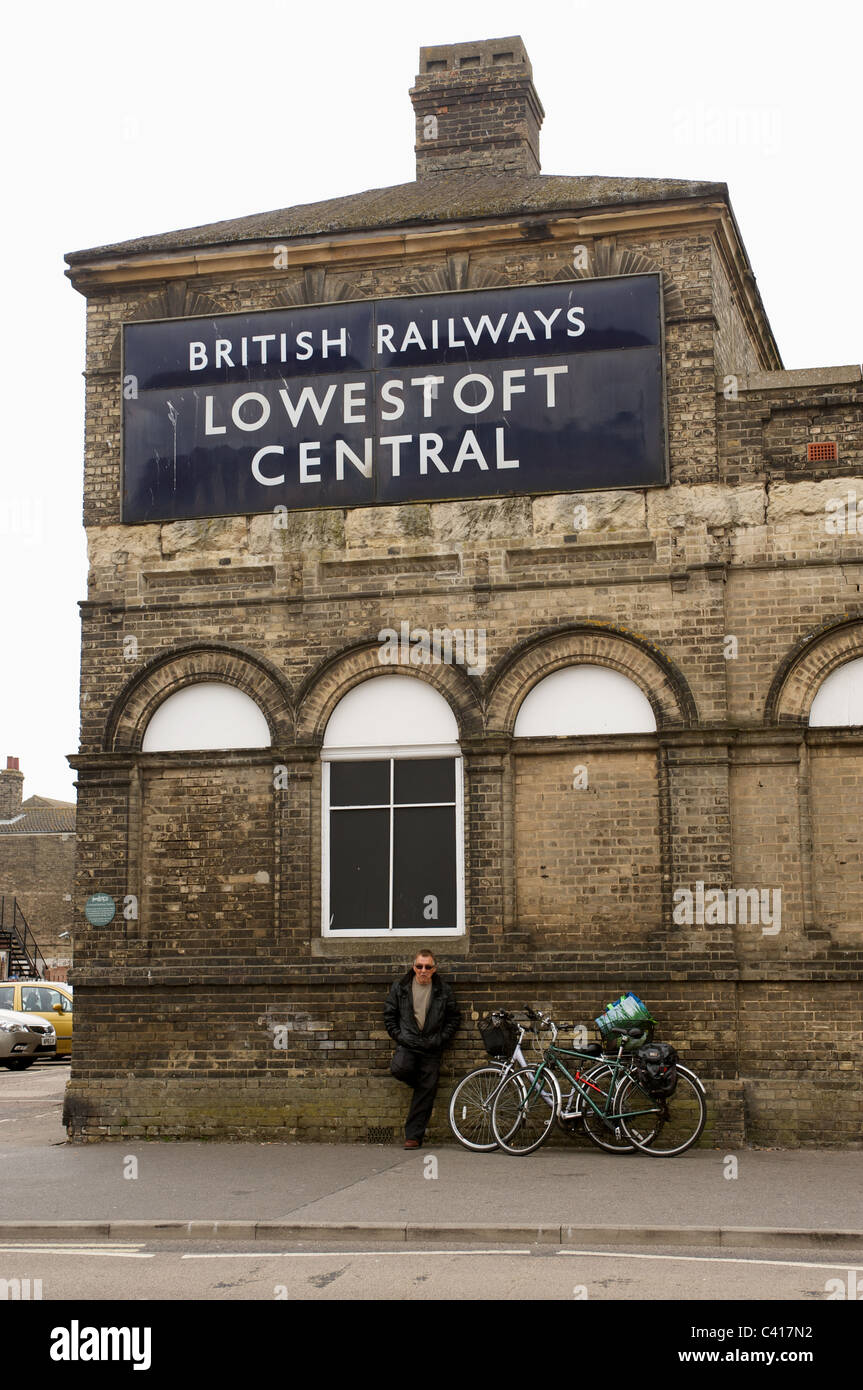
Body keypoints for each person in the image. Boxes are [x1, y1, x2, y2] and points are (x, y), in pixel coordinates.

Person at [384, 949, 461, 1149]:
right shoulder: (400, 988)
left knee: (427, 1090)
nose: (423, 970)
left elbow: (454, 1017)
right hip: (408, 1043)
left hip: (431, 1046)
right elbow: (389, 1016)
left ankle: (413, 1137)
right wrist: (400, 1036)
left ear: (434, 969)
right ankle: (423, 1085)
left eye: (428, 967)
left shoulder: (443, 990)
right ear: (413, 967)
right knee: (400, 1069)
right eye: (419, 966)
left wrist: (441, 1039)